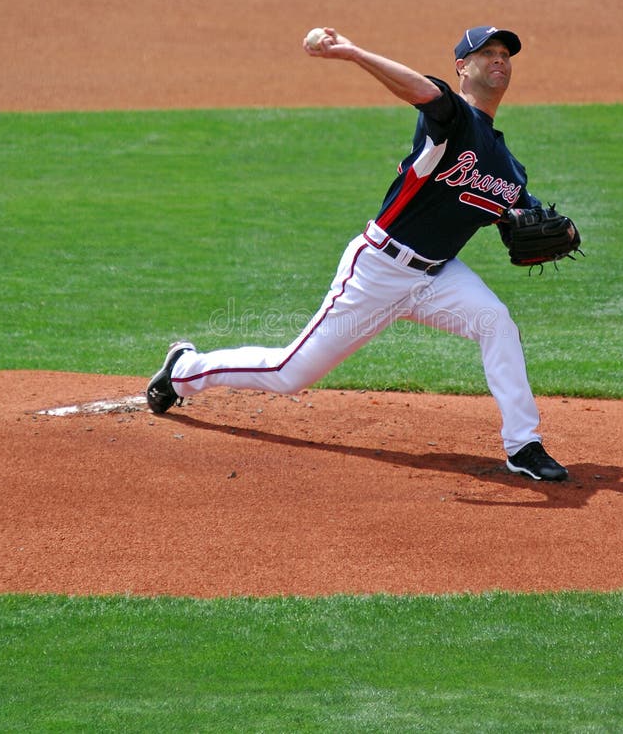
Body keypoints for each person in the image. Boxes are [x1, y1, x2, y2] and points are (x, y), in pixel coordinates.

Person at [147, 25, 569, 481]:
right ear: (462, 68)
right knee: (291, 374)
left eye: (505, 53)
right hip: (378, 270)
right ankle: (185, 370)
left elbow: (521, 217)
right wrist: (352, 53)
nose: (499, 59)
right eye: (486, 52)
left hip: (439, 278)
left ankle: (522, 445)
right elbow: (423, 92)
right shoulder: (452, 119)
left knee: (497, 324)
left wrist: (541, 224)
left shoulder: (509, 168)